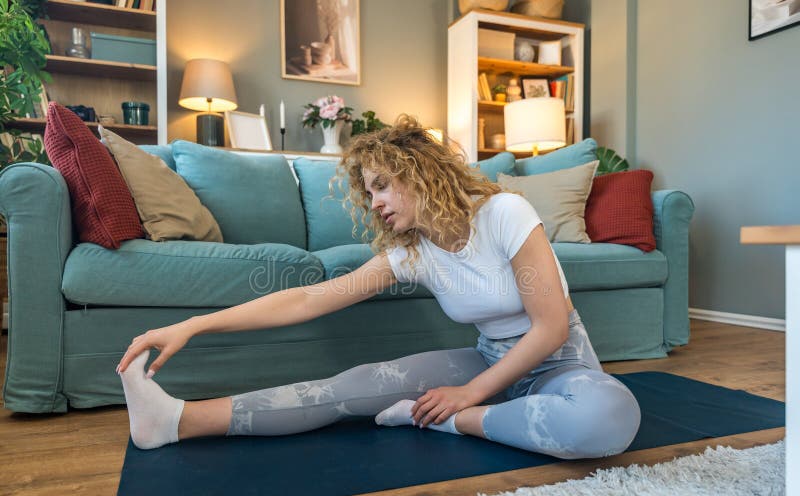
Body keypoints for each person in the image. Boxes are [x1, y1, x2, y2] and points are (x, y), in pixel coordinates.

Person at [116, 115, 641, 458]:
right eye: (369, 194)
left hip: (559, 367)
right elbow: (306, 299)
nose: (376, 204)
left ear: (421, 172)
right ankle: (175, 420)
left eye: (383, 185)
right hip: (488, 360)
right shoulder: (411, 253)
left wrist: (465, 400)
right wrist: (194, 325)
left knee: (607, 419)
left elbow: (550, 329)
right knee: (350, 388)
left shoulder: (504, 213)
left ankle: (456, 423)